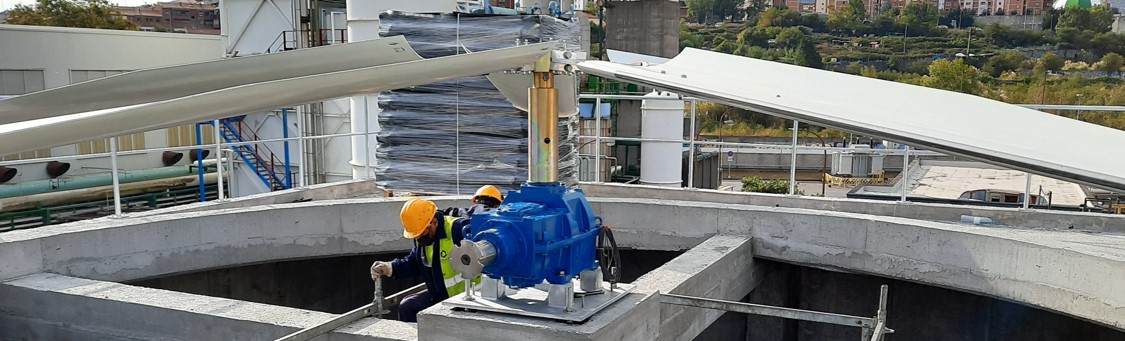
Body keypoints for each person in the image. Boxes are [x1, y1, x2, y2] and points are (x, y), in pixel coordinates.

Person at [370, 198, 476, 322]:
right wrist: (391, 267)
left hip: (471, 298)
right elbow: (415, 262)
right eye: (416, 235)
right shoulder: (422, 237)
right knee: (408, 306)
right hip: (442, 296)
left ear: (434, 222)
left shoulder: (459, 229)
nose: (418, 238)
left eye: (421, 233)